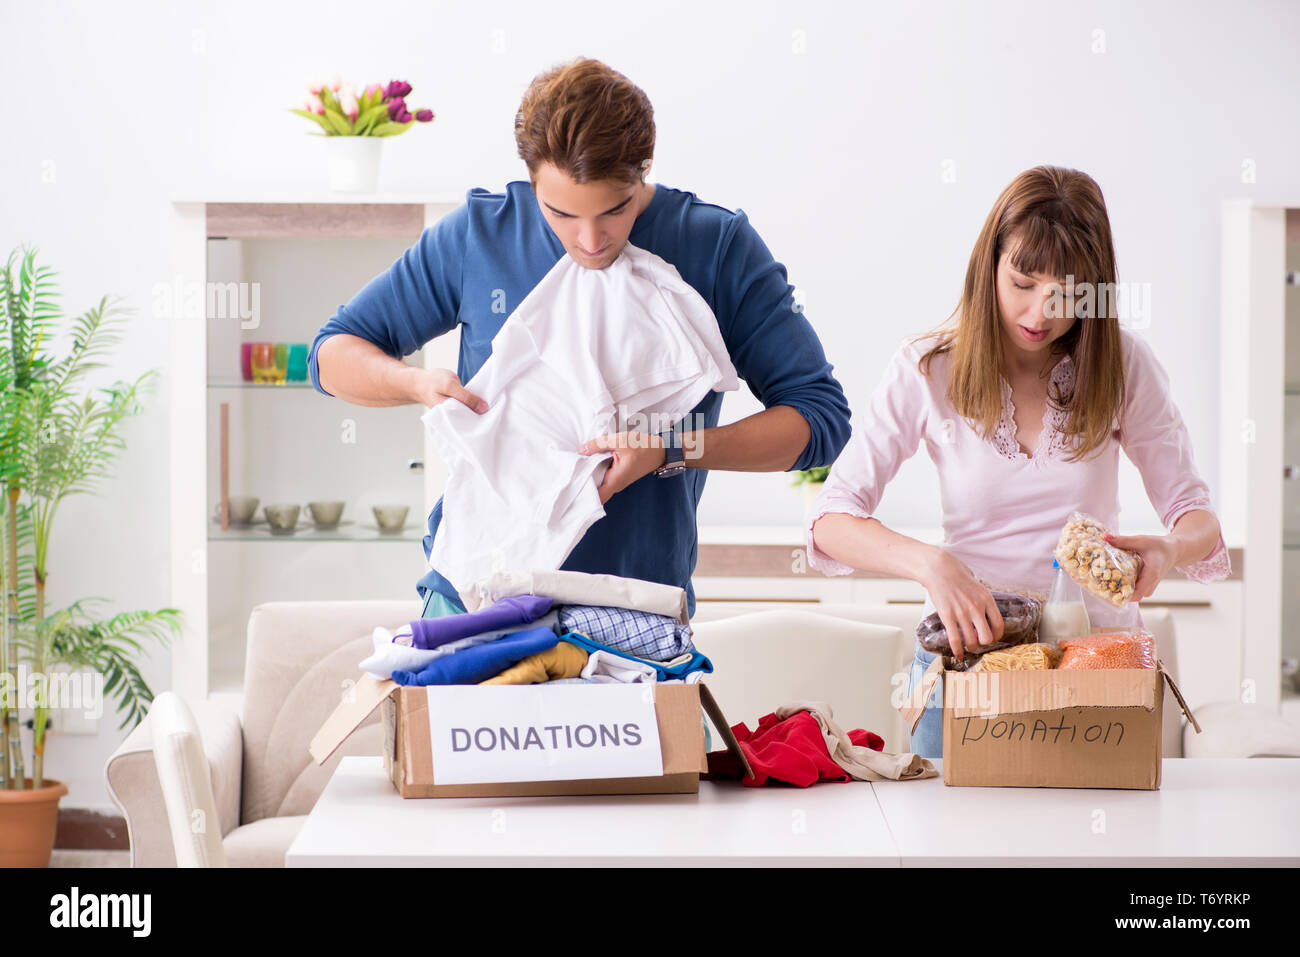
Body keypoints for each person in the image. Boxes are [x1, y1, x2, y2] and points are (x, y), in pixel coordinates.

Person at [309, 57, 851, 619]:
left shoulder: (715, 246)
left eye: (615, 210)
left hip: (638, 608)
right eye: (561, 213)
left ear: (645, 169)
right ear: (531, 177)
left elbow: (819, 420)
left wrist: (672, 448)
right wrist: (415, 382)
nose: (590, 240)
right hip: (472, 595)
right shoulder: (481, 235)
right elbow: (331, 354)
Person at [805, 165, 1230, 759]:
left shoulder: (1124, 366)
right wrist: (934, 566)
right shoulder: (929, 369)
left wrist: (1169, 549)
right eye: (1023, 281)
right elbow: (832, 520)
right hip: (967, 670)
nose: (1040, 312)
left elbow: (1197, 517)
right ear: (991, 266)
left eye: (1067, 292)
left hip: (1095, 671)